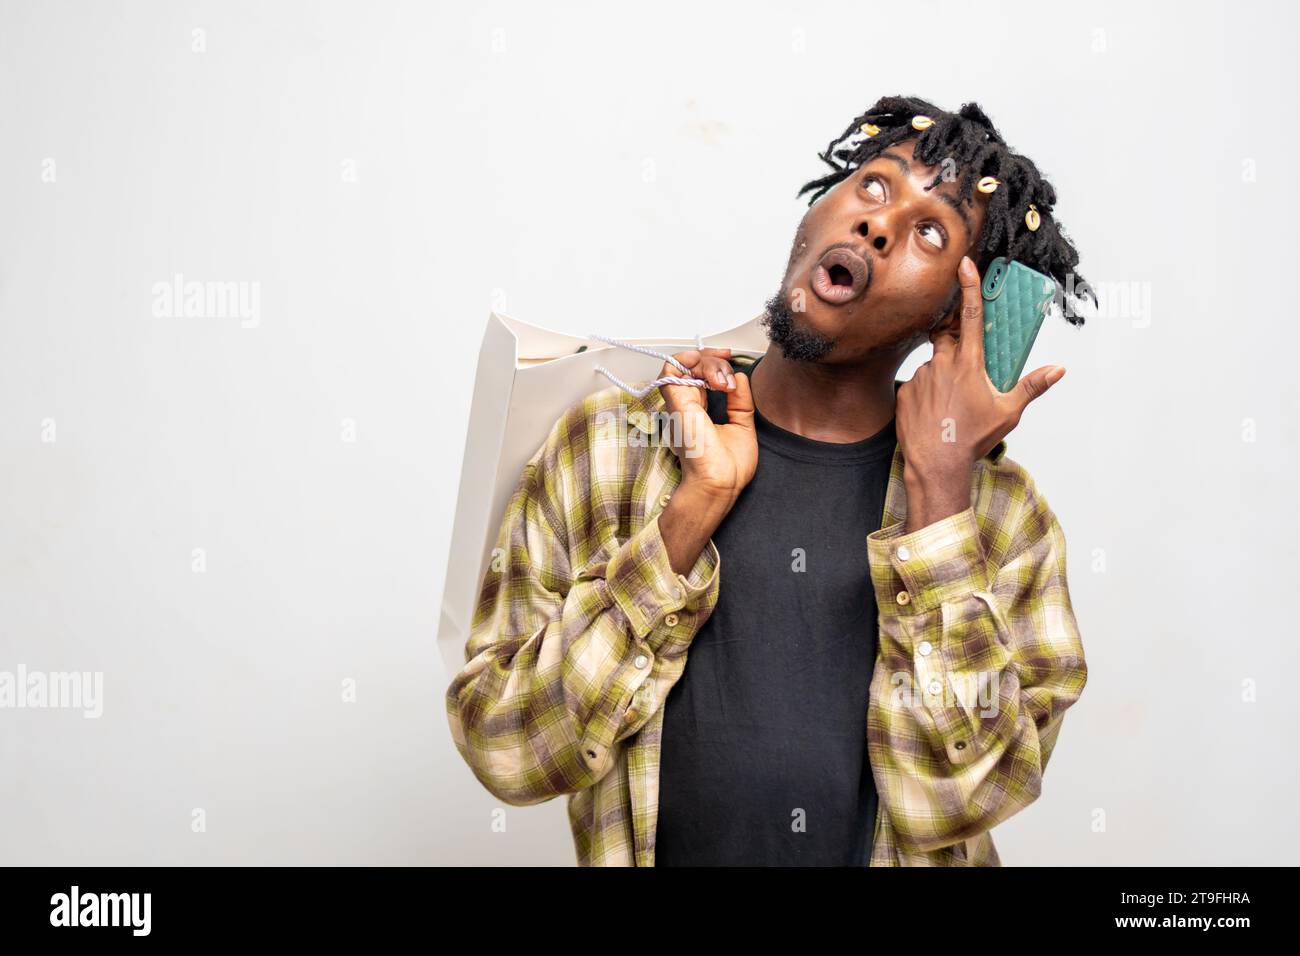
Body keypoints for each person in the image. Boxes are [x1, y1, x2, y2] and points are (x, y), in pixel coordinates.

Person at [445, 94, 1093, 866]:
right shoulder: (611, 449)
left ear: (954, 316)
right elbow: (504, 750)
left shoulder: (1003, 520)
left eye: (929, 232)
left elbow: (961, 798)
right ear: (821, 209)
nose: (878, 225)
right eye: (874, 187)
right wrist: (691, 513)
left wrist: (940, 494)